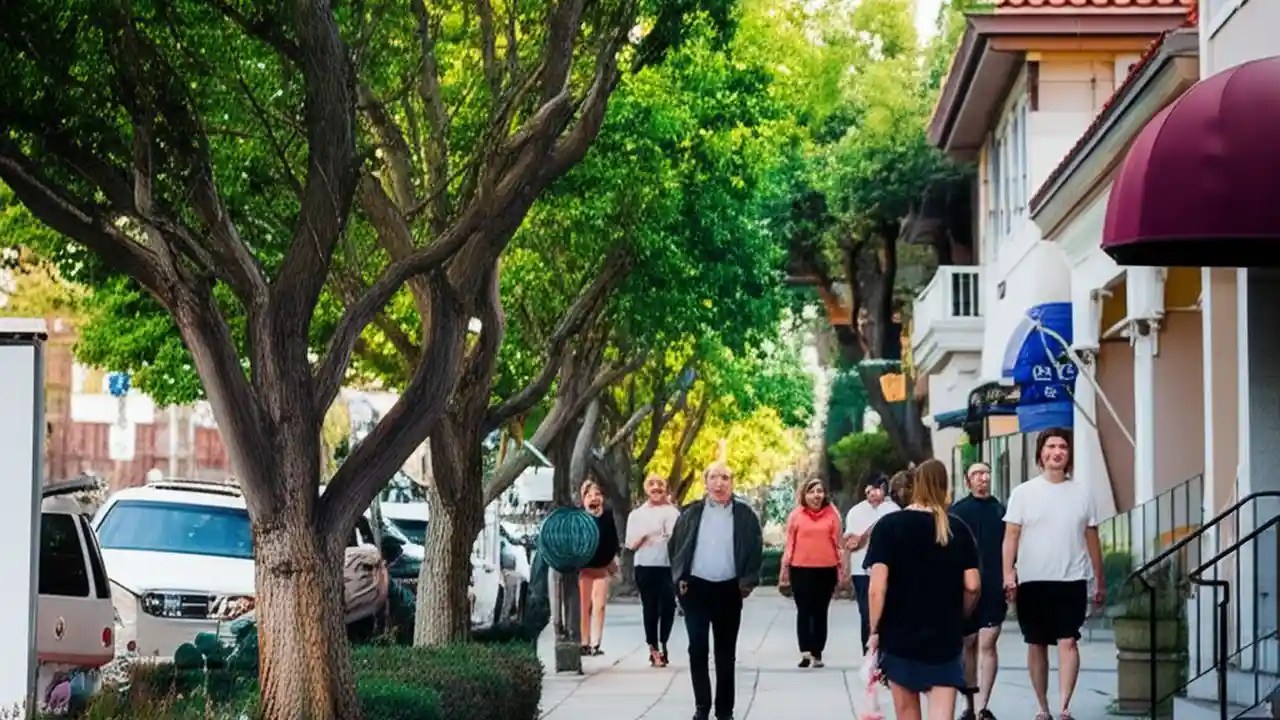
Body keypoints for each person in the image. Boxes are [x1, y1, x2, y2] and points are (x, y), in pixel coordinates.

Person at [866, 459, 981, 720]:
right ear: (945, 487)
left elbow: (877, 589)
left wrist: (874, 629)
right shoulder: (957, 528)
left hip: (899, 634)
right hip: (945, 635)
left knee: (907, 713)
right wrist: (959, 614)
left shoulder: (888, 527)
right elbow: (973, 586)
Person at [1003, 428, 1104, 720]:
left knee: (1068, 641)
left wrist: (1099, 579)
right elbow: (1010, 536)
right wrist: (1008, 573)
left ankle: (1063, 707)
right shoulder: (1023, 493)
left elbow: (1092, 537)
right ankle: (1042, 707)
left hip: (1072, 579)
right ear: (1041, 453)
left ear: (1069, 454)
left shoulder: (1082, 492)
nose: (1057, 452)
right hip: (1033, 580)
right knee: (1036, 643)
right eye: (1051, 446)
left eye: (1062, 446)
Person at [669, 461, 764, 720]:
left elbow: (755, 550)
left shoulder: (744, 515)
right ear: (705, 481)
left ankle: (725, 711)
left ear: (732, 483)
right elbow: (676, 547)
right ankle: (702, 707)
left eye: (725, 477)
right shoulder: (690, 513)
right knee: (697, 648)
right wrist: (680, 579)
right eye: (714, 477)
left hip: (729, 590)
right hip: (696, 589)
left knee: (725, 653)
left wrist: (747, 582)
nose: (719, 483)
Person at [951, 462, 1007, 720]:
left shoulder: (1001, 511)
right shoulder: (958, 512)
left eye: (986, 473)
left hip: (995, 583)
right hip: (965, 585)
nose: (982, 478)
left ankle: (984, 706)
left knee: (988, 641)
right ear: (967, 481)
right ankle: (969, 705)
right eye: (976, 474)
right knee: (968, 643)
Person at [779, 477, 846, 669]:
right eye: (812, 491)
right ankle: (805, 651)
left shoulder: (832, 515)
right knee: (804, 610)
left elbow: (838, 544)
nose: (816, 495)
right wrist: (784, 569)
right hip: (800, 569)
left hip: (826, 569)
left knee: (820, 611)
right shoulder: (796, 516)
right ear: (804, 495)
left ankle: (817, 652)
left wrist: (842, 570)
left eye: (819, 491)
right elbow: (790, 544)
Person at [626, 474, 682, 667]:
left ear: (666, 488)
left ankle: (664, 641)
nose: (656, 487)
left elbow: (679, 541)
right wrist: (644, 538)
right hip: (645, 566)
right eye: (651, 484)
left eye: (660, 484)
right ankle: (653, 647)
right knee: (649, 607)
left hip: (667, 567)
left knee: (668, 607)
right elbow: (630, 545)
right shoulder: (637, 515)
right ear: (645, 489)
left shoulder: (673, 513)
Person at [845, 474, 901, 653]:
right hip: (861, 568)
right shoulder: (856, 511)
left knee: (885, 610)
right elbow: (849, 540)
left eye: (877, 488)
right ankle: (868, 651)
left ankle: (884, 650)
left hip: (887, 568)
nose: (873, 493)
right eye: (869, 488)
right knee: (866, 612)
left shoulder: (893, 509)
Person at [579, 479, 619, 656]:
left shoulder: (608, 515)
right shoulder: (579, 518)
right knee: (584, 606)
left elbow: (613, 540)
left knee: (600, 605)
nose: (593, 498)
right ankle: (584, 641)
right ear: (583, 499)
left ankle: (596, 642)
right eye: (589, 495)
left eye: (597, 494)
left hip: (601, 567)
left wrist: (613, 561)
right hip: (583, 569)